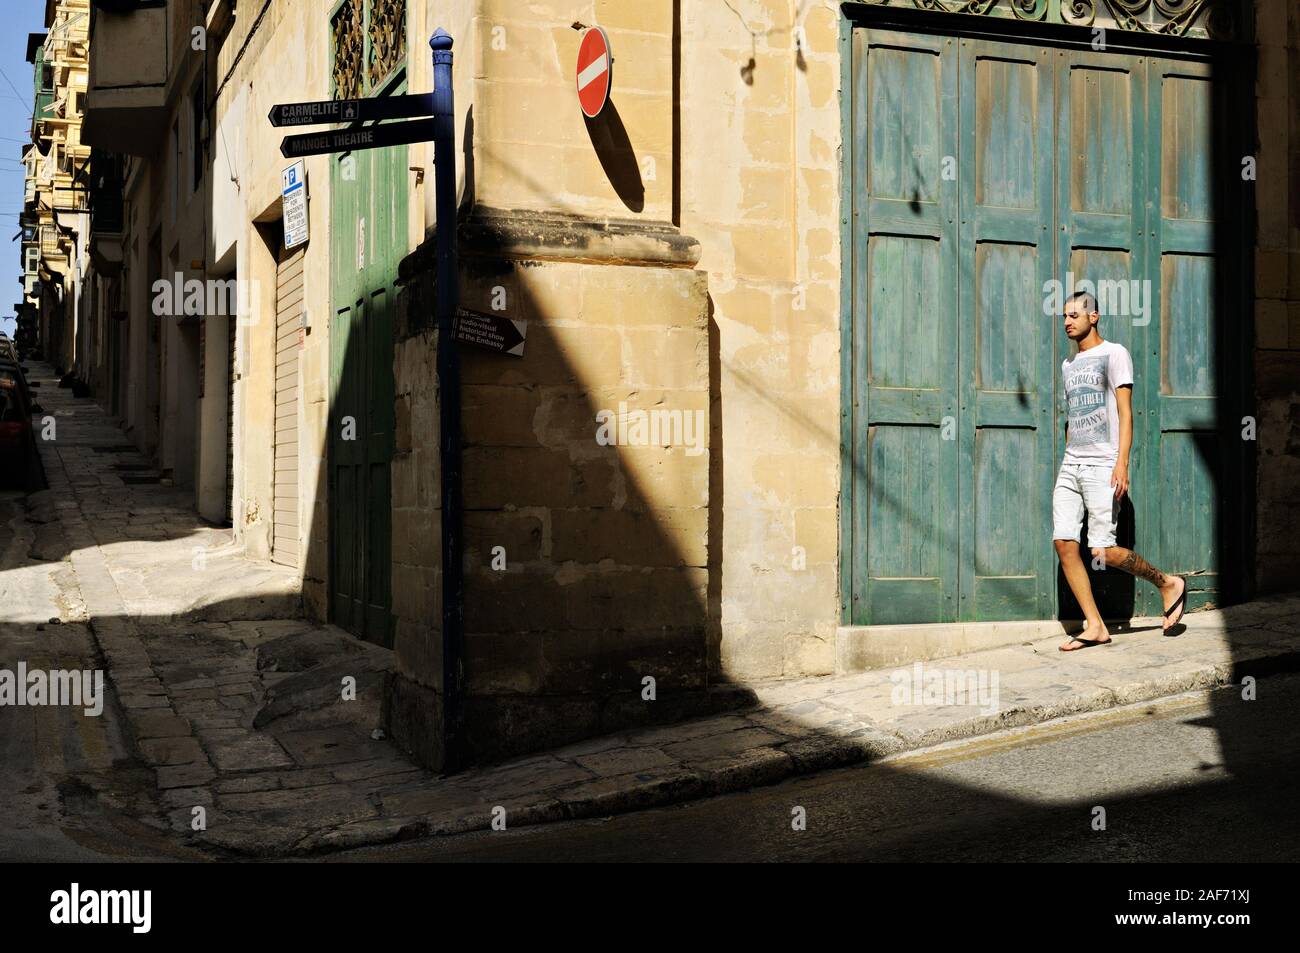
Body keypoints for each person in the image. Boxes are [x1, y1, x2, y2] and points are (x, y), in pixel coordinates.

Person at [1053, 291, 1186, 651]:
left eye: (1075, 315)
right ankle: (1094, 625)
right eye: (1064, 316)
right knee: (1064, 543)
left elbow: (1126, 413)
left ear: (1093, 316)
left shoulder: (1115, 353)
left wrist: (1121, 461)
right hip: (1072, 463)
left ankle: (1166, 582)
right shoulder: (1068, 365)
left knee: (1102, 550)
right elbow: (1072, 417)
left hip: (1102, 463)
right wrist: (1068, 452)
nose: (1067, 321)